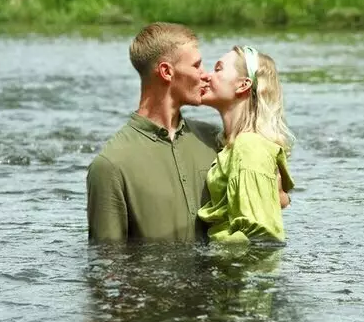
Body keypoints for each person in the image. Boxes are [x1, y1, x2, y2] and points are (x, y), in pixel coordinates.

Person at [86, 23, 220, 242]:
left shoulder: (215, 141)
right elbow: (107, 266)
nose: (206, 75)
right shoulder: (110, 166)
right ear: (167, 72)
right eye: (197, 66)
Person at [196, 45, 294, 242]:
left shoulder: (249, 146)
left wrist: (207, 258)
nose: (206, 76)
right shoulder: (233, 146)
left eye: (218, 69)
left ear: (243, 85)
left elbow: (262, 236)